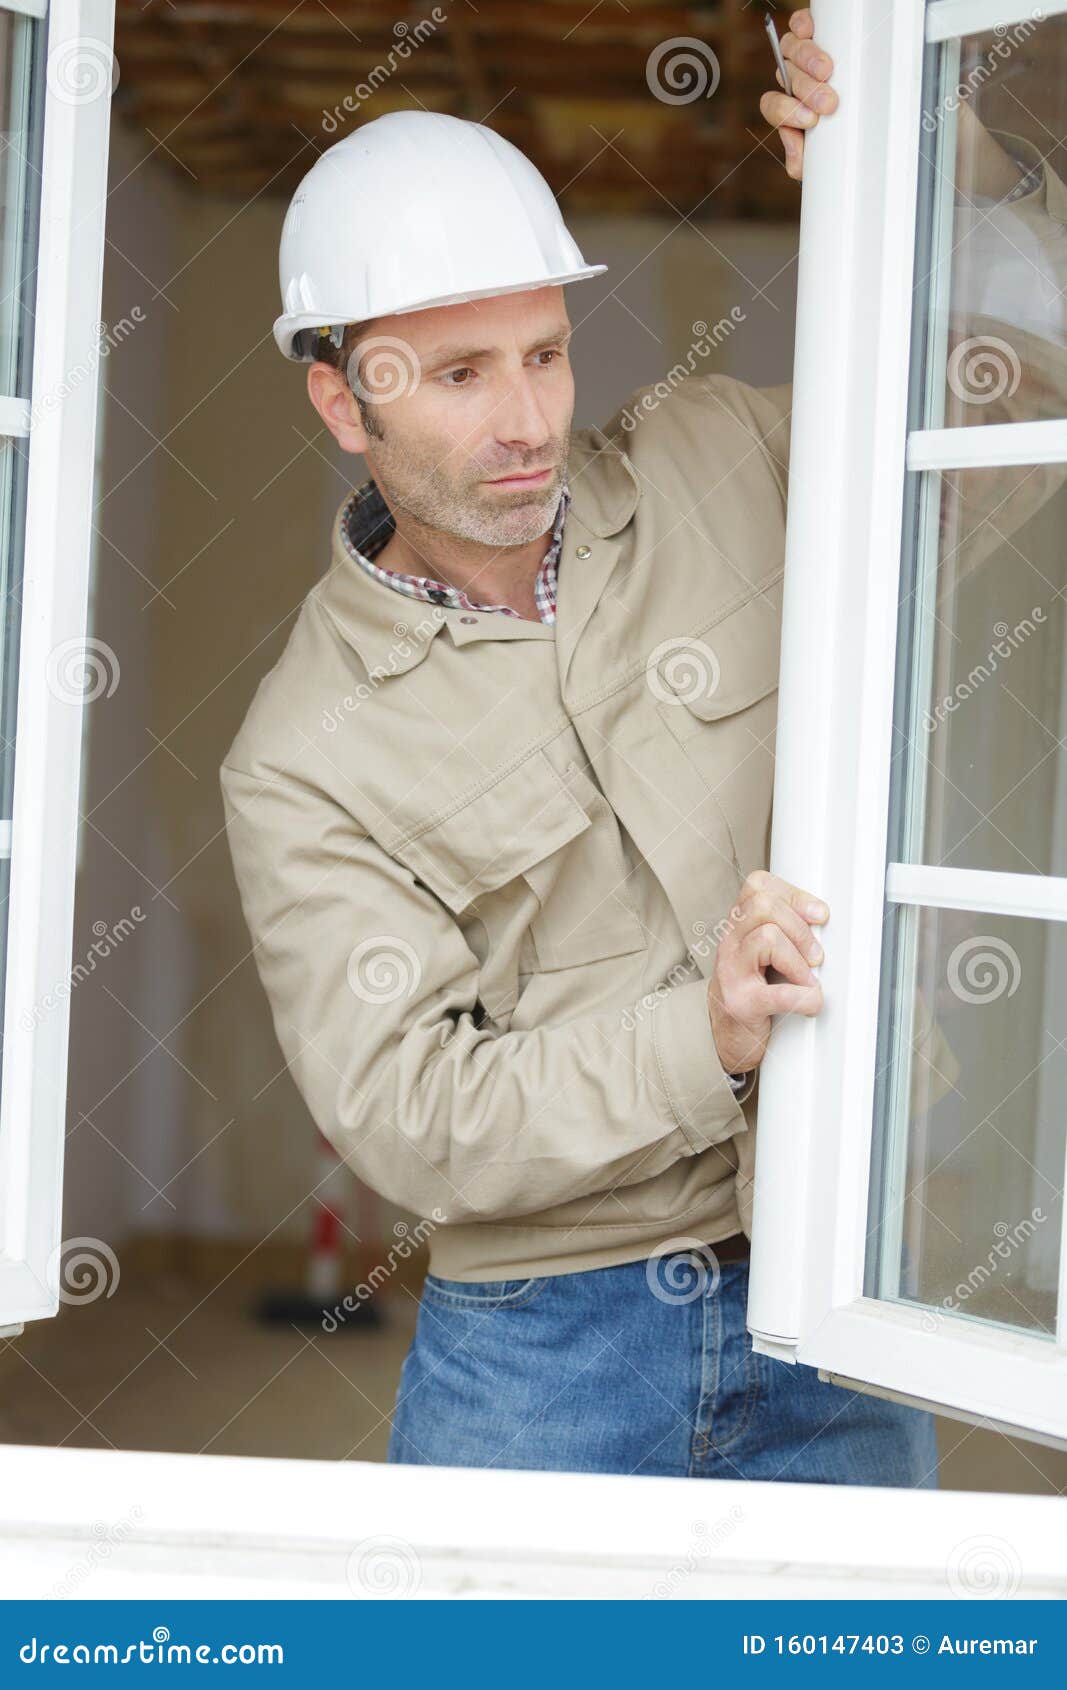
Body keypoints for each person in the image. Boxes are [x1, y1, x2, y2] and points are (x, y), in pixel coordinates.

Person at [220, 11, 1066, 1483]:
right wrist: (710, 1039)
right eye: (462, 373)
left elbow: (1015, 424)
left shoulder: (721, 459)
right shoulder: (299, 756)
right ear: (341, 398)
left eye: (545, 351)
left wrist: (951, 175)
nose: (530, 418)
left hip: (831, 1288)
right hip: (541, 1355)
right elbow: (410, 1117)